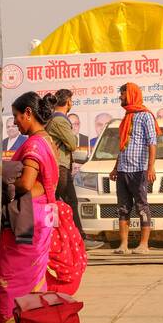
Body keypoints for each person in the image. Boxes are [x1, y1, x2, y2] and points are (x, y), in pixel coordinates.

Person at [0, 92, 60, 323]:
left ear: (28, 114)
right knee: (34, 279)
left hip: (28, 219)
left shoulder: (34, 144)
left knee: (8, 278)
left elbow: (25, 183)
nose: (16, 122)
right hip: (43, 217)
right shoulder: (48, 141)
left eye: (17, 116)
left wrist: (6, 177)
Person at [46, 89, 99, 250]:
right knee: (60, 202)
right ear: (68, 101)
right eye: (71, 101)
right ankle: (74, 239)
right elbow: (73, 143)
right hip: (60, 167)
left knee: (64, 202)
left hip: (61, 167)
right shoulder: (59, 120)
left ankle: (74, 238)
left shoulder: (54, 119)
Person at [109, 82, 158, 255]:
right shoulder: (126, 117)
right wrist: (115, 168)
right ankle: (123, 245)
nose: (120, 97)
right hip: (123, 170)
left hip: (139, 170)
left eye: (122, 94)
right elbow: (123, 146)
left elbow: (152, 143)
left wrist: (150, 168)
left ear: (130, 94)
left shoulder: (145, 116)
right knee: (123, 208)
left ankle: (143, 245)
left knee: (142, 207)